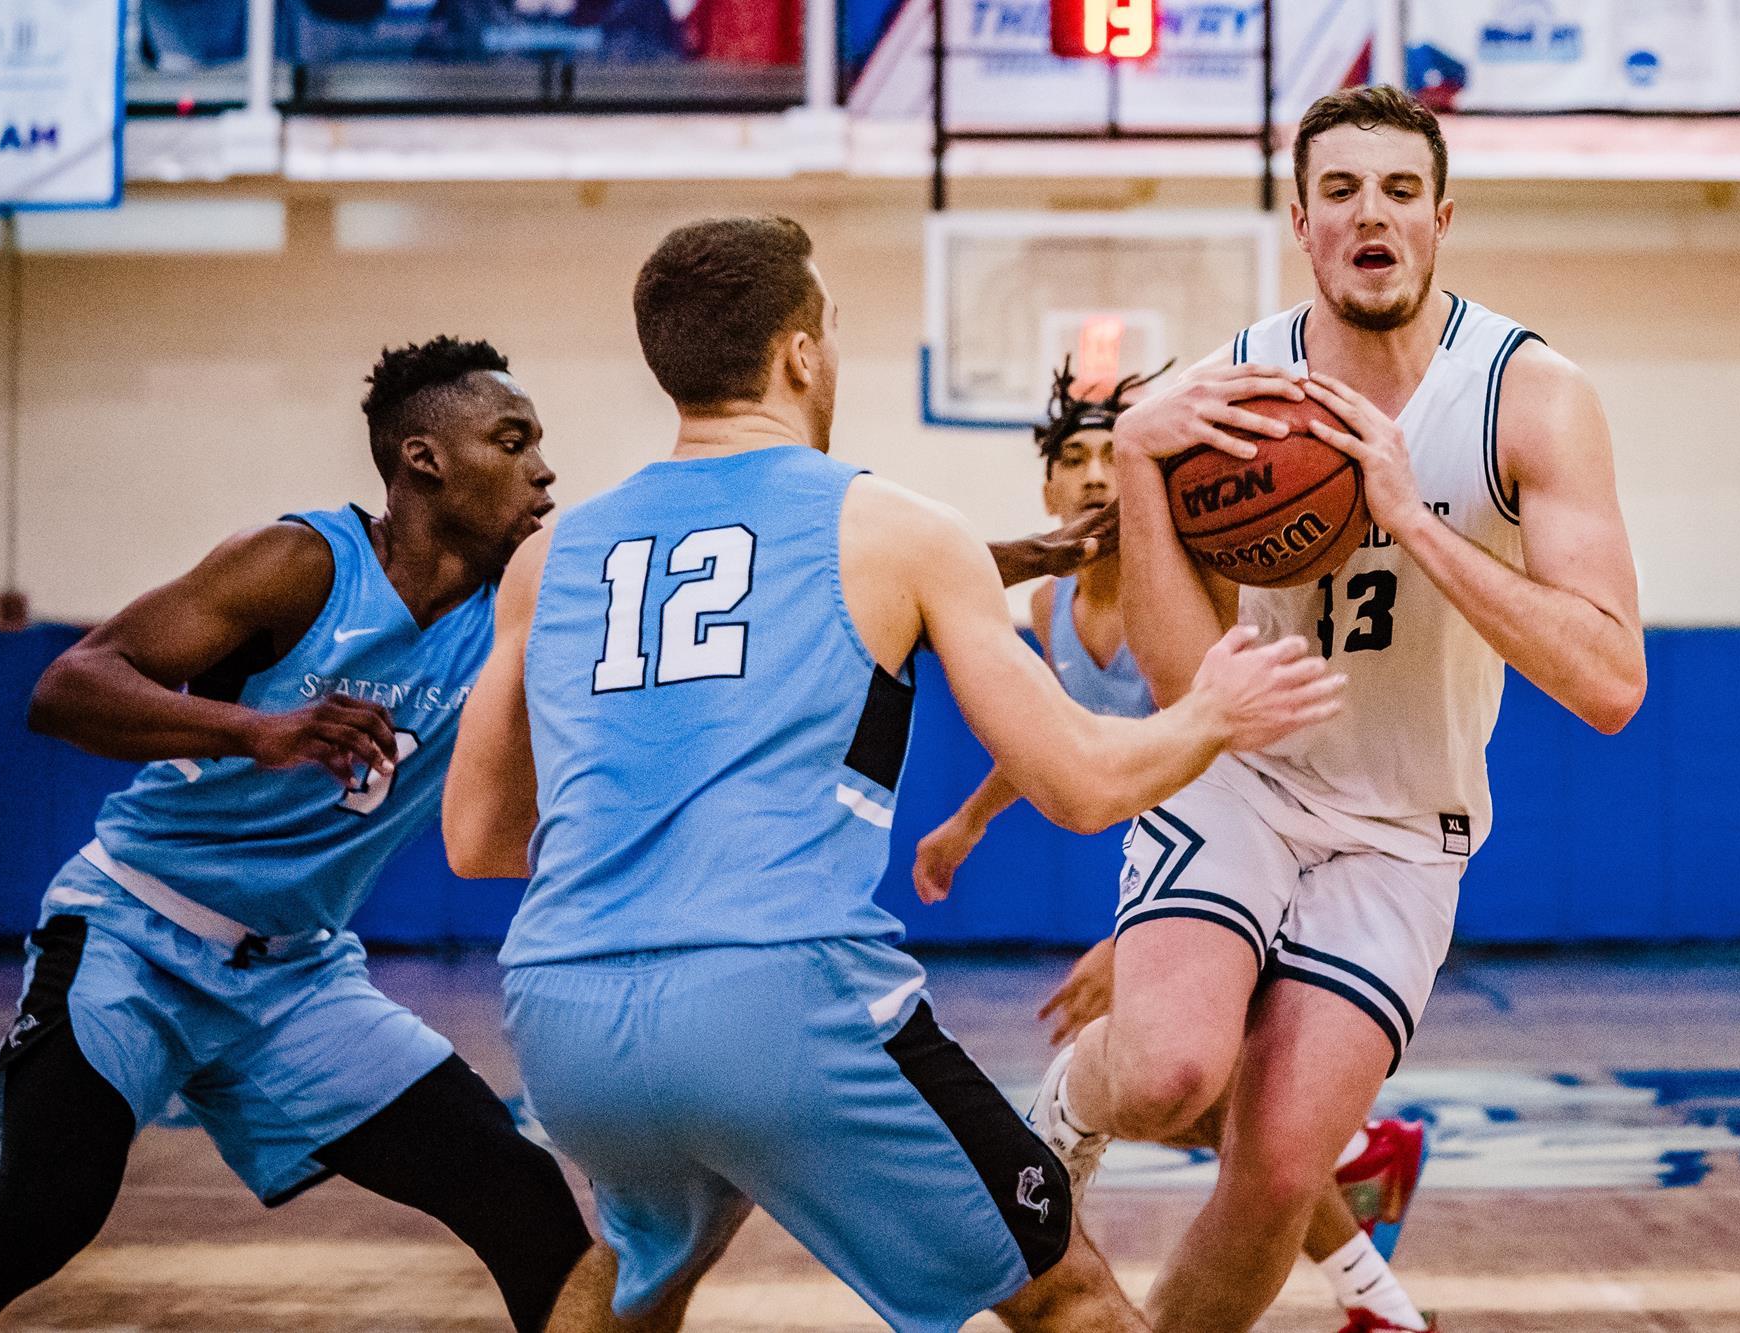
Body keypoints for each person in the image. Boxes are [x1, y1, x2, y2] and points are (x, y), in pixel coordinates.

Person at [443, 215, 1345, 1332]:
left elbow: (476, 839)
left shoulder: (549, 554)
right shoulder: (895, 525)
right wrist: (1212, 712)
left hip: (563, 1014)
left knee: (641, 1279)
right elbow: (1076, 784)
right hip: (777, 998)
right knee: (1065, 1293)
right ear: (801, 353)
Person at [1028, 86, 1646, 1333]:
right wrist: (1143, 468)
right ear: (1302, 223)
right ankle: (1060, 1107)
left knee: (1274, 1177)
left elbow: (1608, 683)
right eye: (1344, 192)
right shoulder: (1226, 395)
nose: (1374, 215)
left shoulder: (1528, 395)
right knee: (1166, 1075)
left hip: (1403, 826)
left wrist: (1410, 517)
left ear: (1440, 219)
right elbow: (1177, 684)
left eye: (1401, 191)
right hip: (1242, 780)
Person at [0, 337, 591, 1333]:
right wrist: (259, 729)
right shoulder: (301, 564)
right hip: (135, 931)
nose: (542, 468)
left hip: (297, 979)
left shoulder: (514, 615)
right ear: (423, 459)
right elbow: (67, 684)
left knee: (523, 1200)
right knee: (46, 1213)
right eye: (511, 440)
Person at [914, 360, 1434, 1328]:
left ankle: (1366, 1228)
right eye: (1072, 458)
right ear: (1049, 486)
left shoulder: (1207, 573)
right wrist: (970, 821)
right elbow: (1056, 727)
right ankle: (1375, 1255)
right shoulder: (1044, 606)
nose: (1093, 477)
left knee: (1207, 1093)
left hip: (1245, 841)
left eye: (1108, 455)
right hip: (1166, 846)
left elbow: (1222, 765)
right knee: (1216, 1108)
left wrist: (1136, 944)